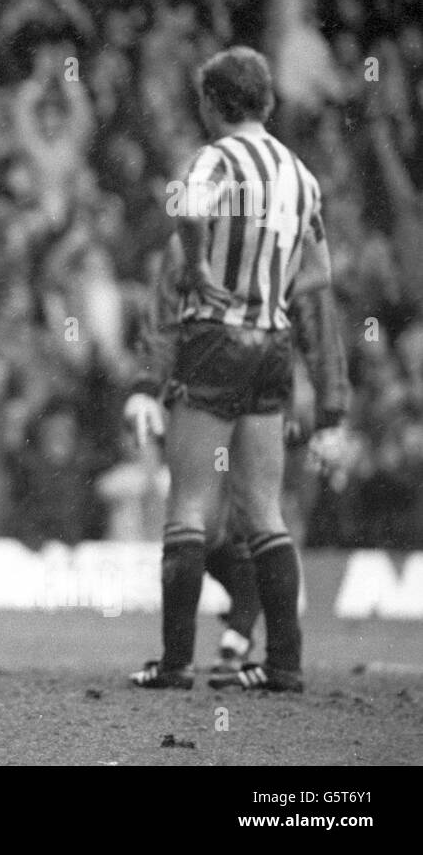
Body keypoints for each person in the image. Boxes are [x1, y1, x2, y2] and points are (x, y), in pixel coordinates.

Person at [123, 46, 333, 692]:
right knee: (264, 510)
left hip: (213, 339)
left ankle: (176, 663)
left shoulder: (215, 159)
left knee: (188, 507)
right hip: (273, 346)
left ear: (212, 103)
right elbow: (320, 274)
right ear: (266, 101)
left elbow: (187, 209)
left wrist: (199, 266)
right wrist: (266, 289)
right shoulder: (301, 175)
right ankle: (285, 666)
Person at [126, 230, 351, 676]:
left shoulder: (199, 225)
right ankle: (275, 657)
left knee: (198, 513)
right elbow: (318, 318)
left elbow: (166, 313)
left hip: (208, 370)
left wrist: (147, 384)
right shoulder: (292, 217)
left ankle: (184, 660)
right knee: (250, 516)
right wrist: (331, 412)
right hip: (271, 379)